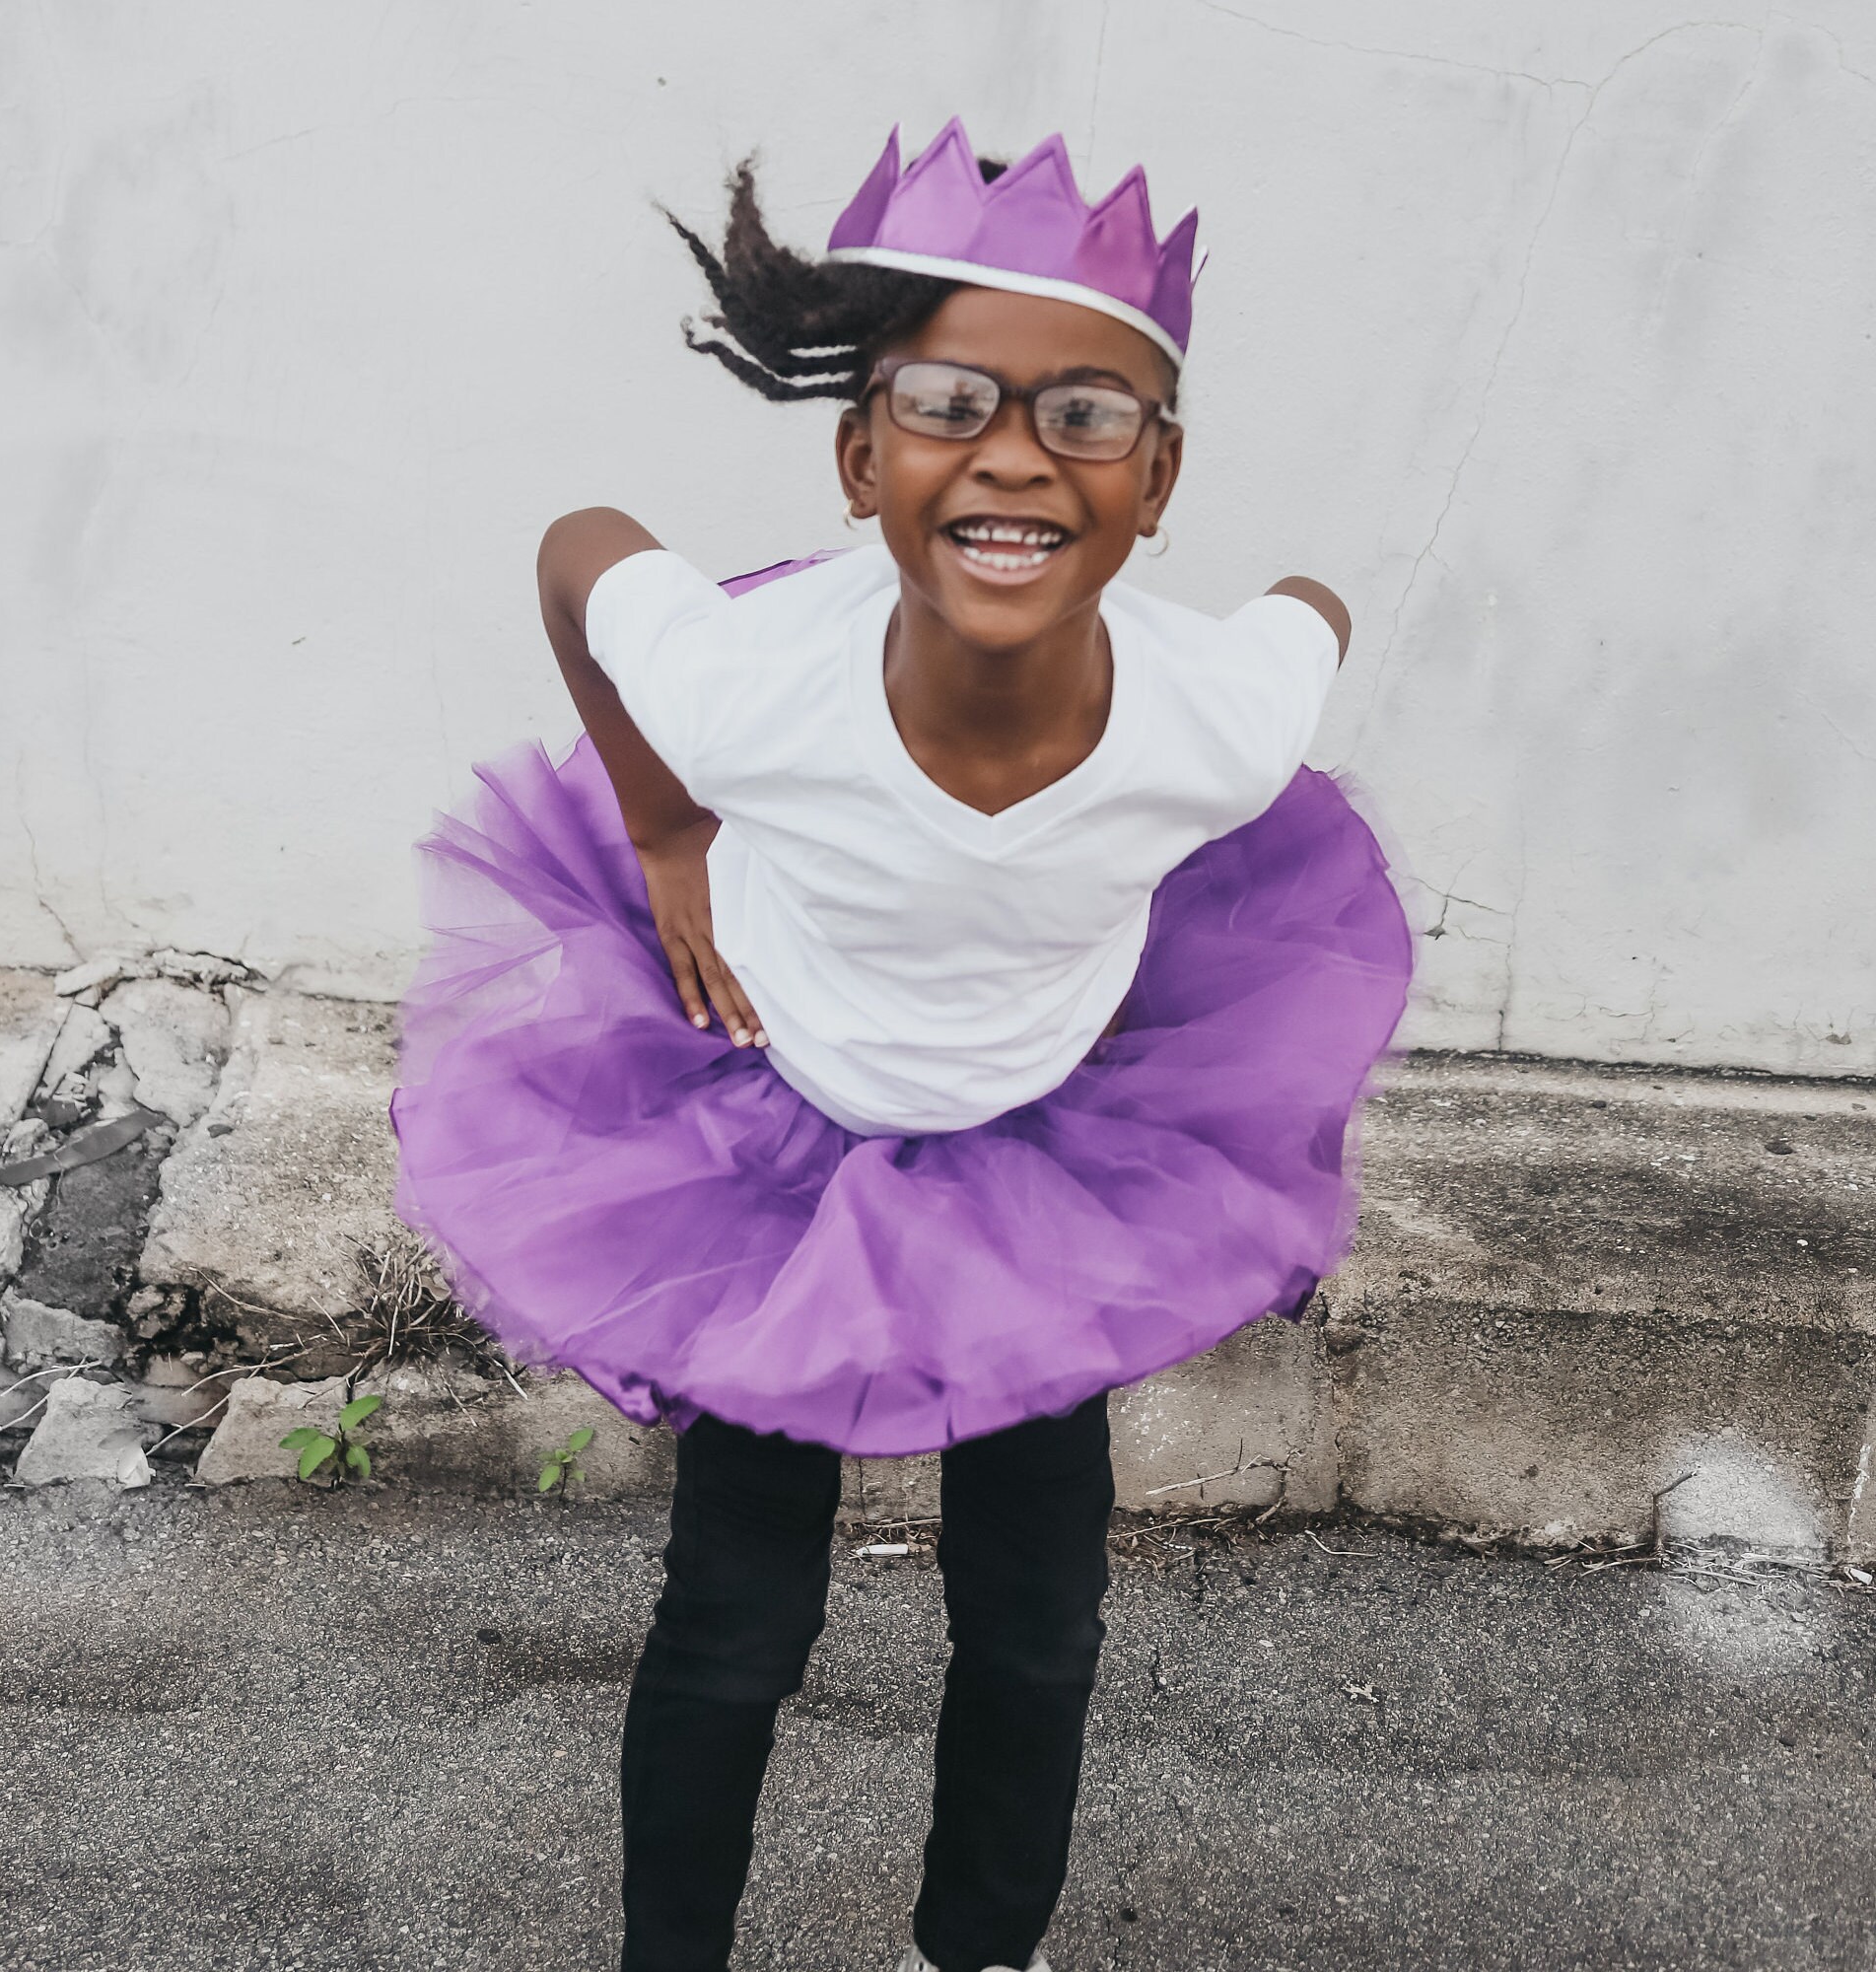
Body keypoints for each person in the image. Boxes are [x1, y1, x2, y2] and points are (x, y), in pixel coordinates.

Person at [390, 119, 1413, 1972]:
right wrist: (665, 826)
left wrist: (1275, 645)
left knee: (1036, 1629)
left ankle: (982, 1949)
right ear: (861, 456)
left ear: (1157, 478)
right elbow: (577, 555)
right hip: (767, 1157)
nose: (1017, 449)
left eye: (1087, 415)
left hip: (1054, 1165)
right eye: (950, 400)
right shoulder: (743, 686)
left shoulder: (1224, 723)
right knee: (733, 1627)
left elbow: (1311, 617)